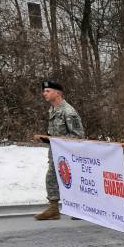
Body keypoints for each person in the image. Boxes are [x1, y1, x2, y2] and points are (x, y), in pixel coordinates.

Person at [35, 80, 84, 221]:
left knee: (71, 180)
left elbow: (78, 136)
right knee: (51, 177)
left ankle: (79, 208)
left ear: (58, 93)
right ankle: (53, 209)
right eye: (44, 91)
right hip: (56, 152)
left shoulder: (68, 112)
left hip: (68, 154)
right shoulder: (53, 109)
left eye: (47, 91)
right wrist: (49, 138)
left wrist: (55, 139)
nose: (44, 93)